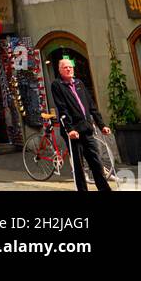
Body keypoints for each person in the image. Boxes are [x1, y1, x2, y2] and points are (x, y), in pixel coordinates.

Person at [50, 57, 112, 193]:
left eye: (70, 67)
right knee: (79, 165)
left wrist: (101, 125)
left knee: (96, 162)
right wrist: (69, 129)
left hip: (86, 128)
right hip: (73, 132)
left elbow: (91, 105)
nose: (69, 69)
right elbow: (62, 108)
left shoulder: (79, 83)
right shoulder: (57, 85)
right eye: (65, 67)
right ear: (60, 70)